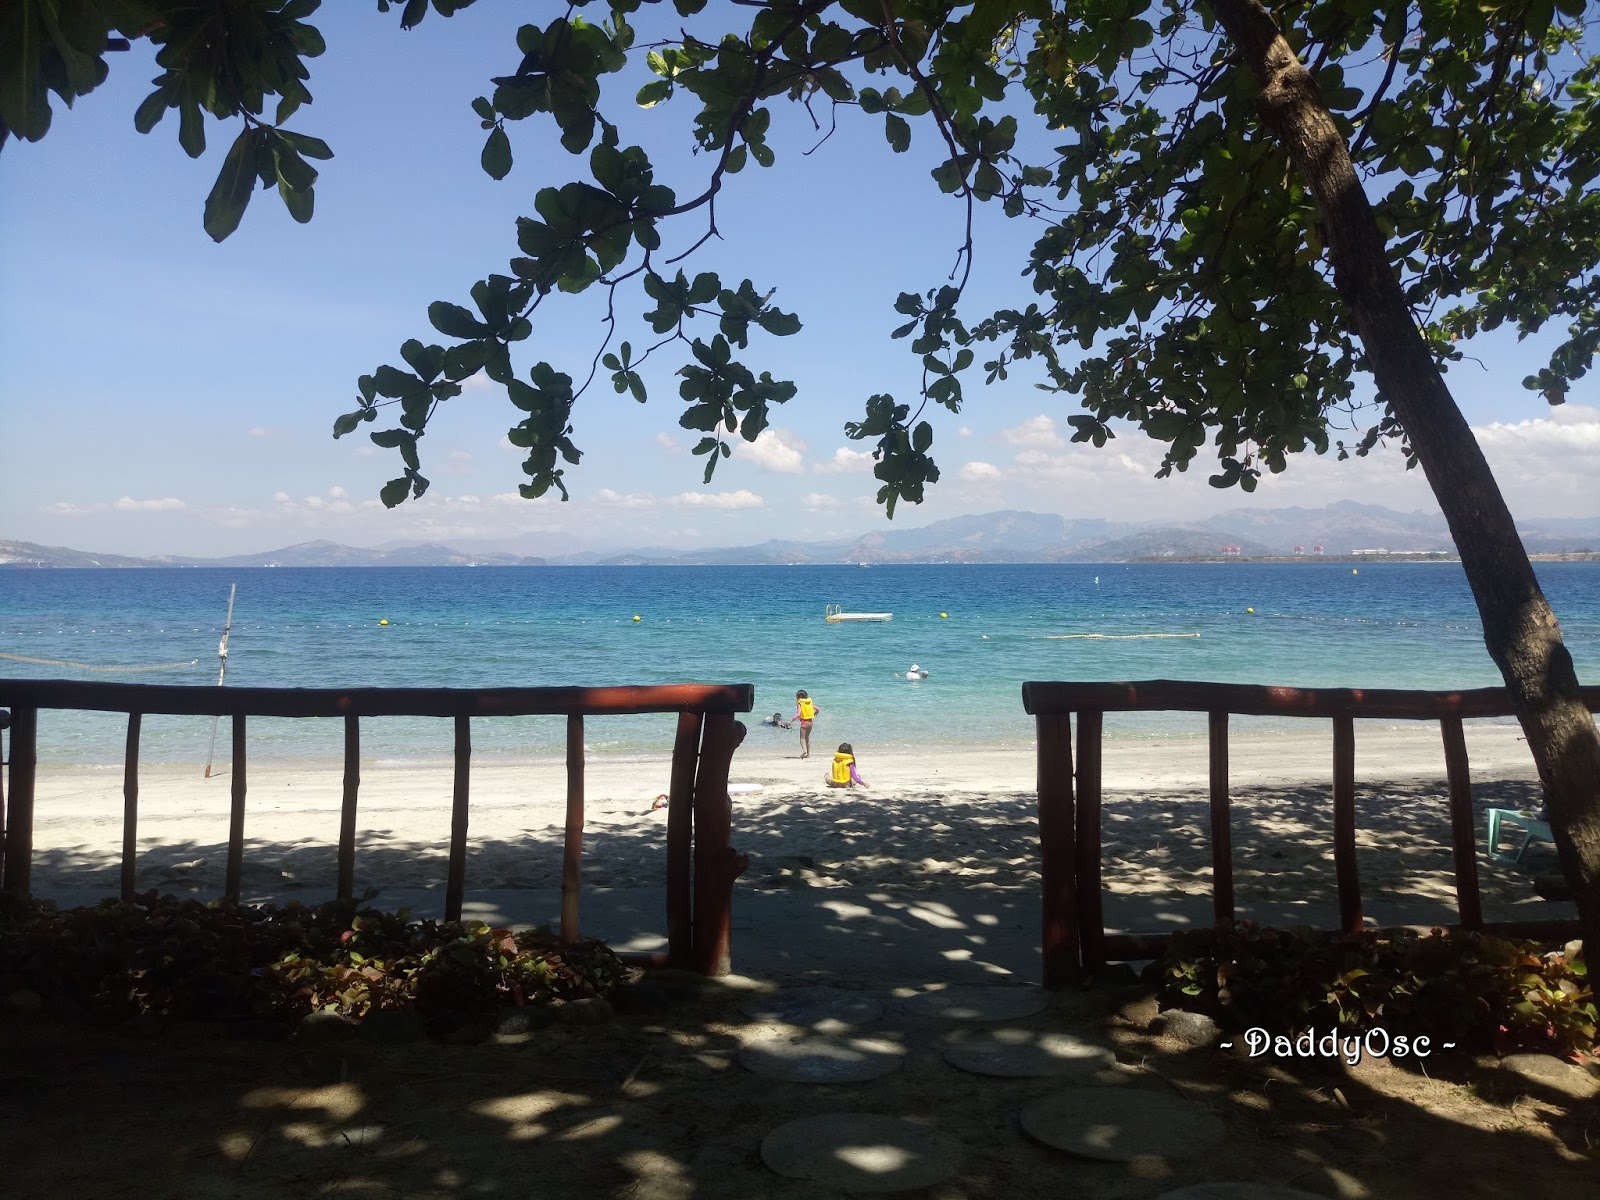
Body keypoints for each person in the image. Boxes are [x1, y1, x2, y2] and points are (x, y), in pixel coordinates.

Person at [792, 689, 819, 758]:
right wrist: (814, 714)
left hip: (804, 723)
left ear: (799, 696)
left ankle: (804, 751)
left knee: (802, 738)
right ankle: (808, 754)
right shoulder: (809, 702)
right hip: (810, 722)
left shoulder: (800, 703)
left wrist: (790, 721)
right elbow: (818, 709)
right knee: (807, 738)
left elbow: (798, 714)